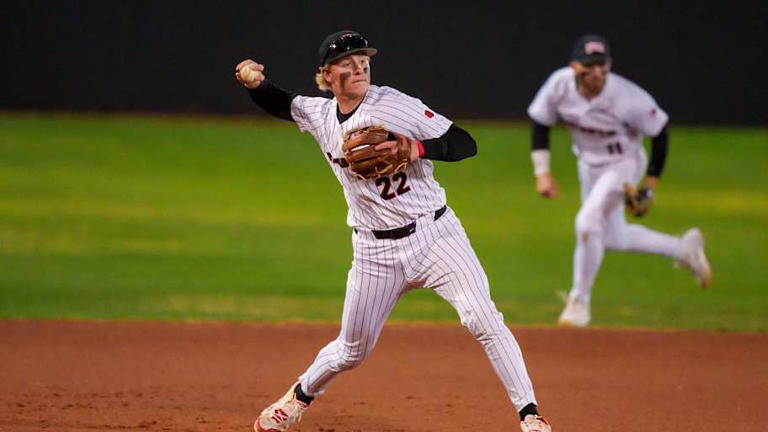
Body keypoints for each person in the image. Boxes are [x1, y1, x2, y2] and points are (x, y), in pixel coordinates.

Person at [235, 30, 552, 432]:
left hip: (436, 237)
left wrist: (416, 148)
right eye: (348, 62)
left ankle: (530, 415)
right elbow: (283, 103)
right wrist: (254, 83)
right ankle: (297, 398)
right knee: (351, 350)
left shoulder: (394, 105)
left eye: (363, 60)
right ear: (327, 75)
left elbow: (463, 143)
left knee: (482, 318)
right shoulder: (320, 115)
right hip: (374, 252)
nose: (359, 67)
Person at [527, 35, 712, 327]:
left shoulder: (627, 96)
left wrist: (649, 186)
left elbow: (660, 132)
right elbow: (540, 121)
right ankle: (683, 249)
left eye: (601, 65)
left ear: (609, 65)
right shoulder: (560, 84)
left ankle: (579, 302)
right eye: (589, 65)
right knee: (613, 237)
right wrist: (542, 172)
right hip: (588, 166)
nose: (596, 72)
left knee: (587, 223)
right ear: (574, 66)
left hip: (624, 164)